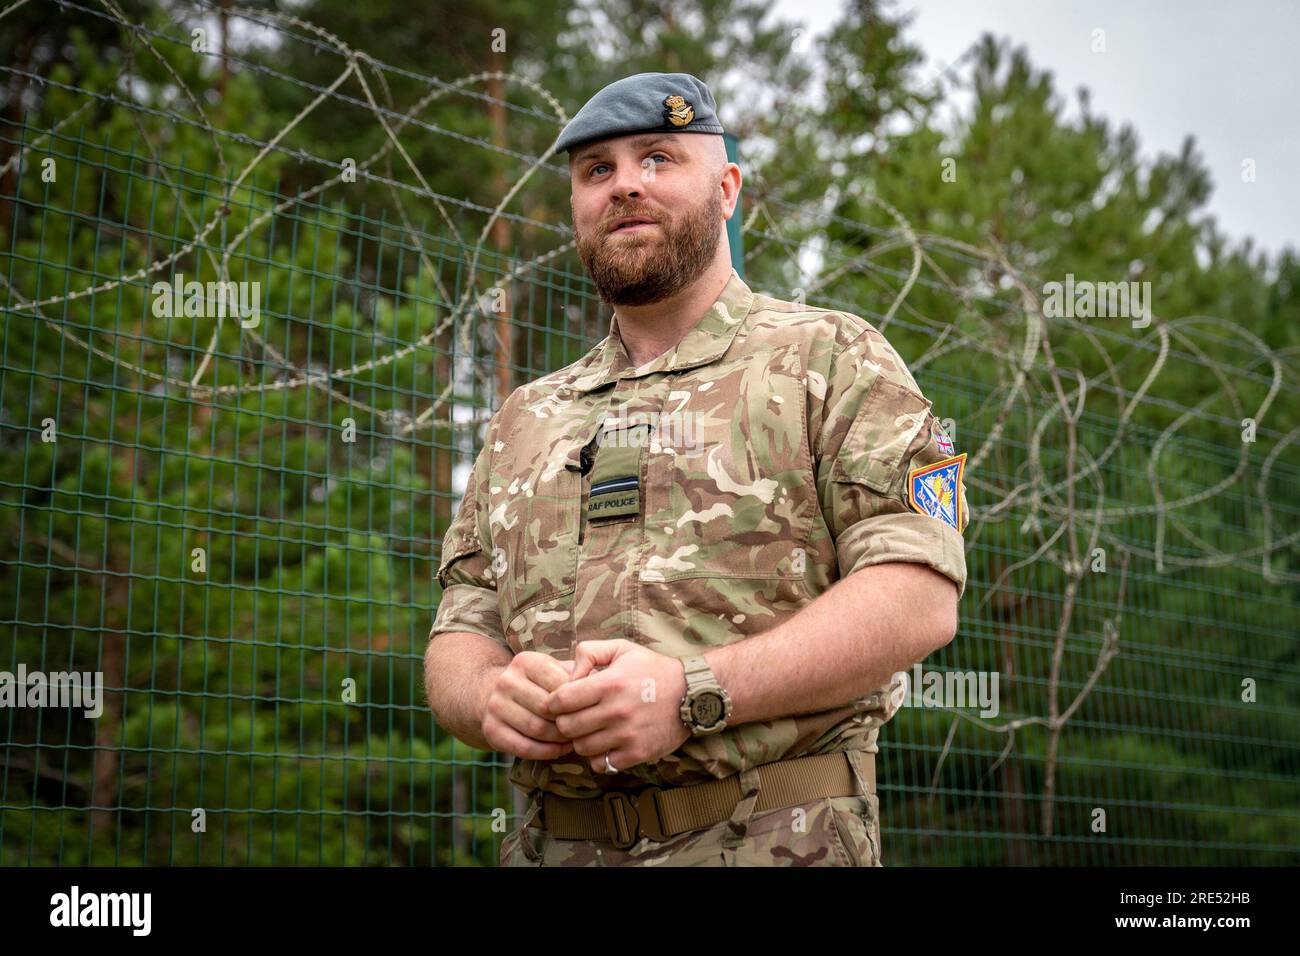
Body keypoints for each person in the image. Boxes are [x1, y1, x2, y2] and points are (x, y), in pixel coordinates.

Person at [424, 72, 969, 866]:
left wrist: (691, 693)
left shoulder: (834, 359)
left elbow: (921, 595)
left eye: (658, 158)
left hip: (777, 841)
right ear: (576, 205)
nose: (625, 186)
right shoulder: (524, 419)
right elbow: (460, 628)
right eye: (597, 170)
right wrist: (487, 698)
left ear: (727, 189)